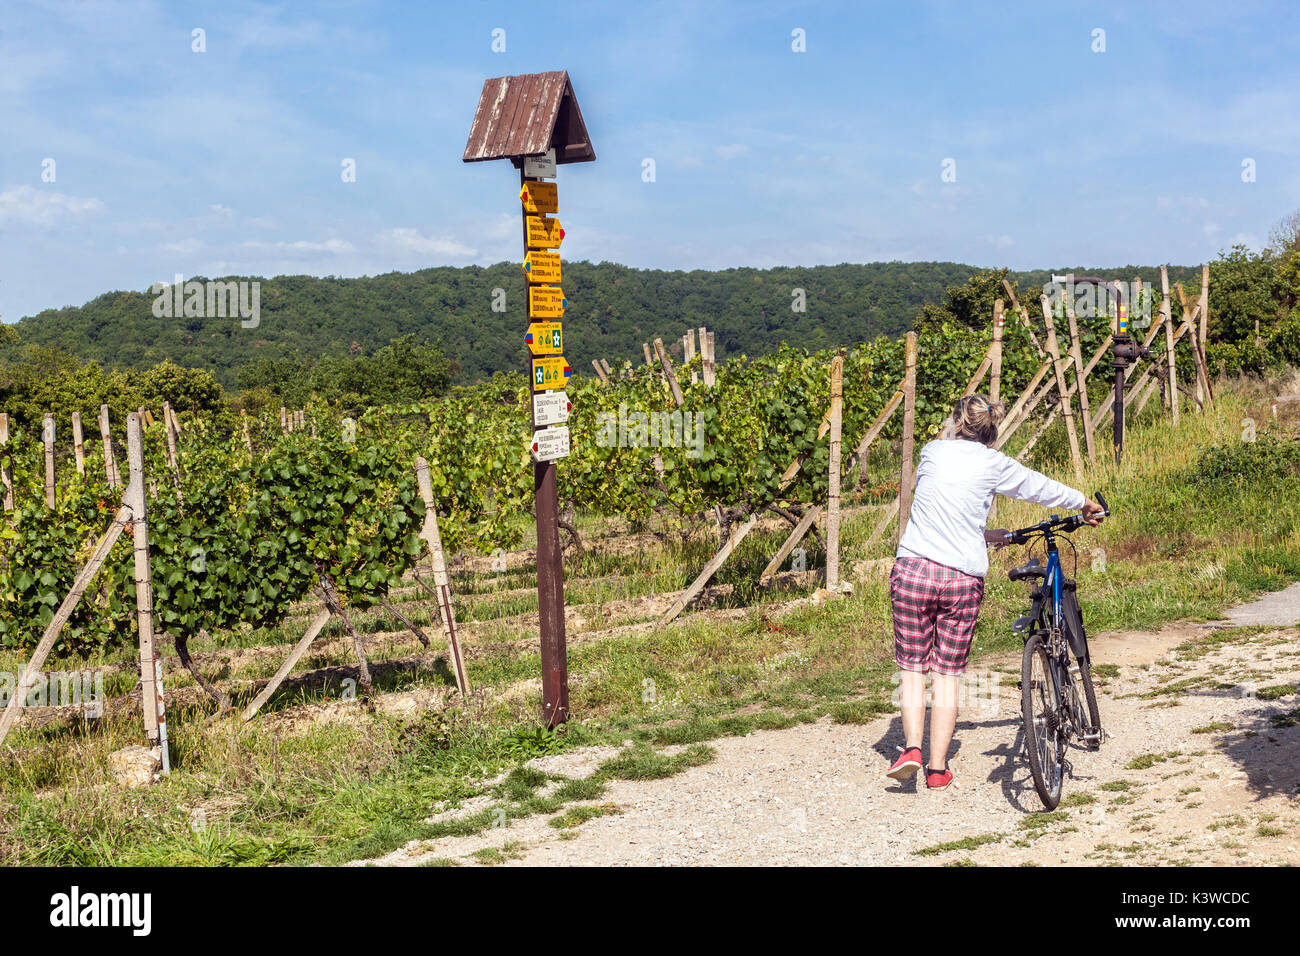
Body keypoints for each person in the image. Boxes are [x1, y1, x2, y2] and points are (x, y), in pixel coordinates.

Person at [884, 394, 1104, 790]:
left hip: (914, 569)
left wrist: (982, 533)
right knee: (947, 674)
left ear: (955, 423)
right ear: (991, 431)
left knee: (913, 669)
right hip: (961, 579)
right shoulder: (993, 463)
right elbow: (1037, 487)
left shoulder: (933, 452)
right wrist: (1082, 502)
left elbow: (941, 509)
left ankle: (912, 749)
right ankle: (937, 770)